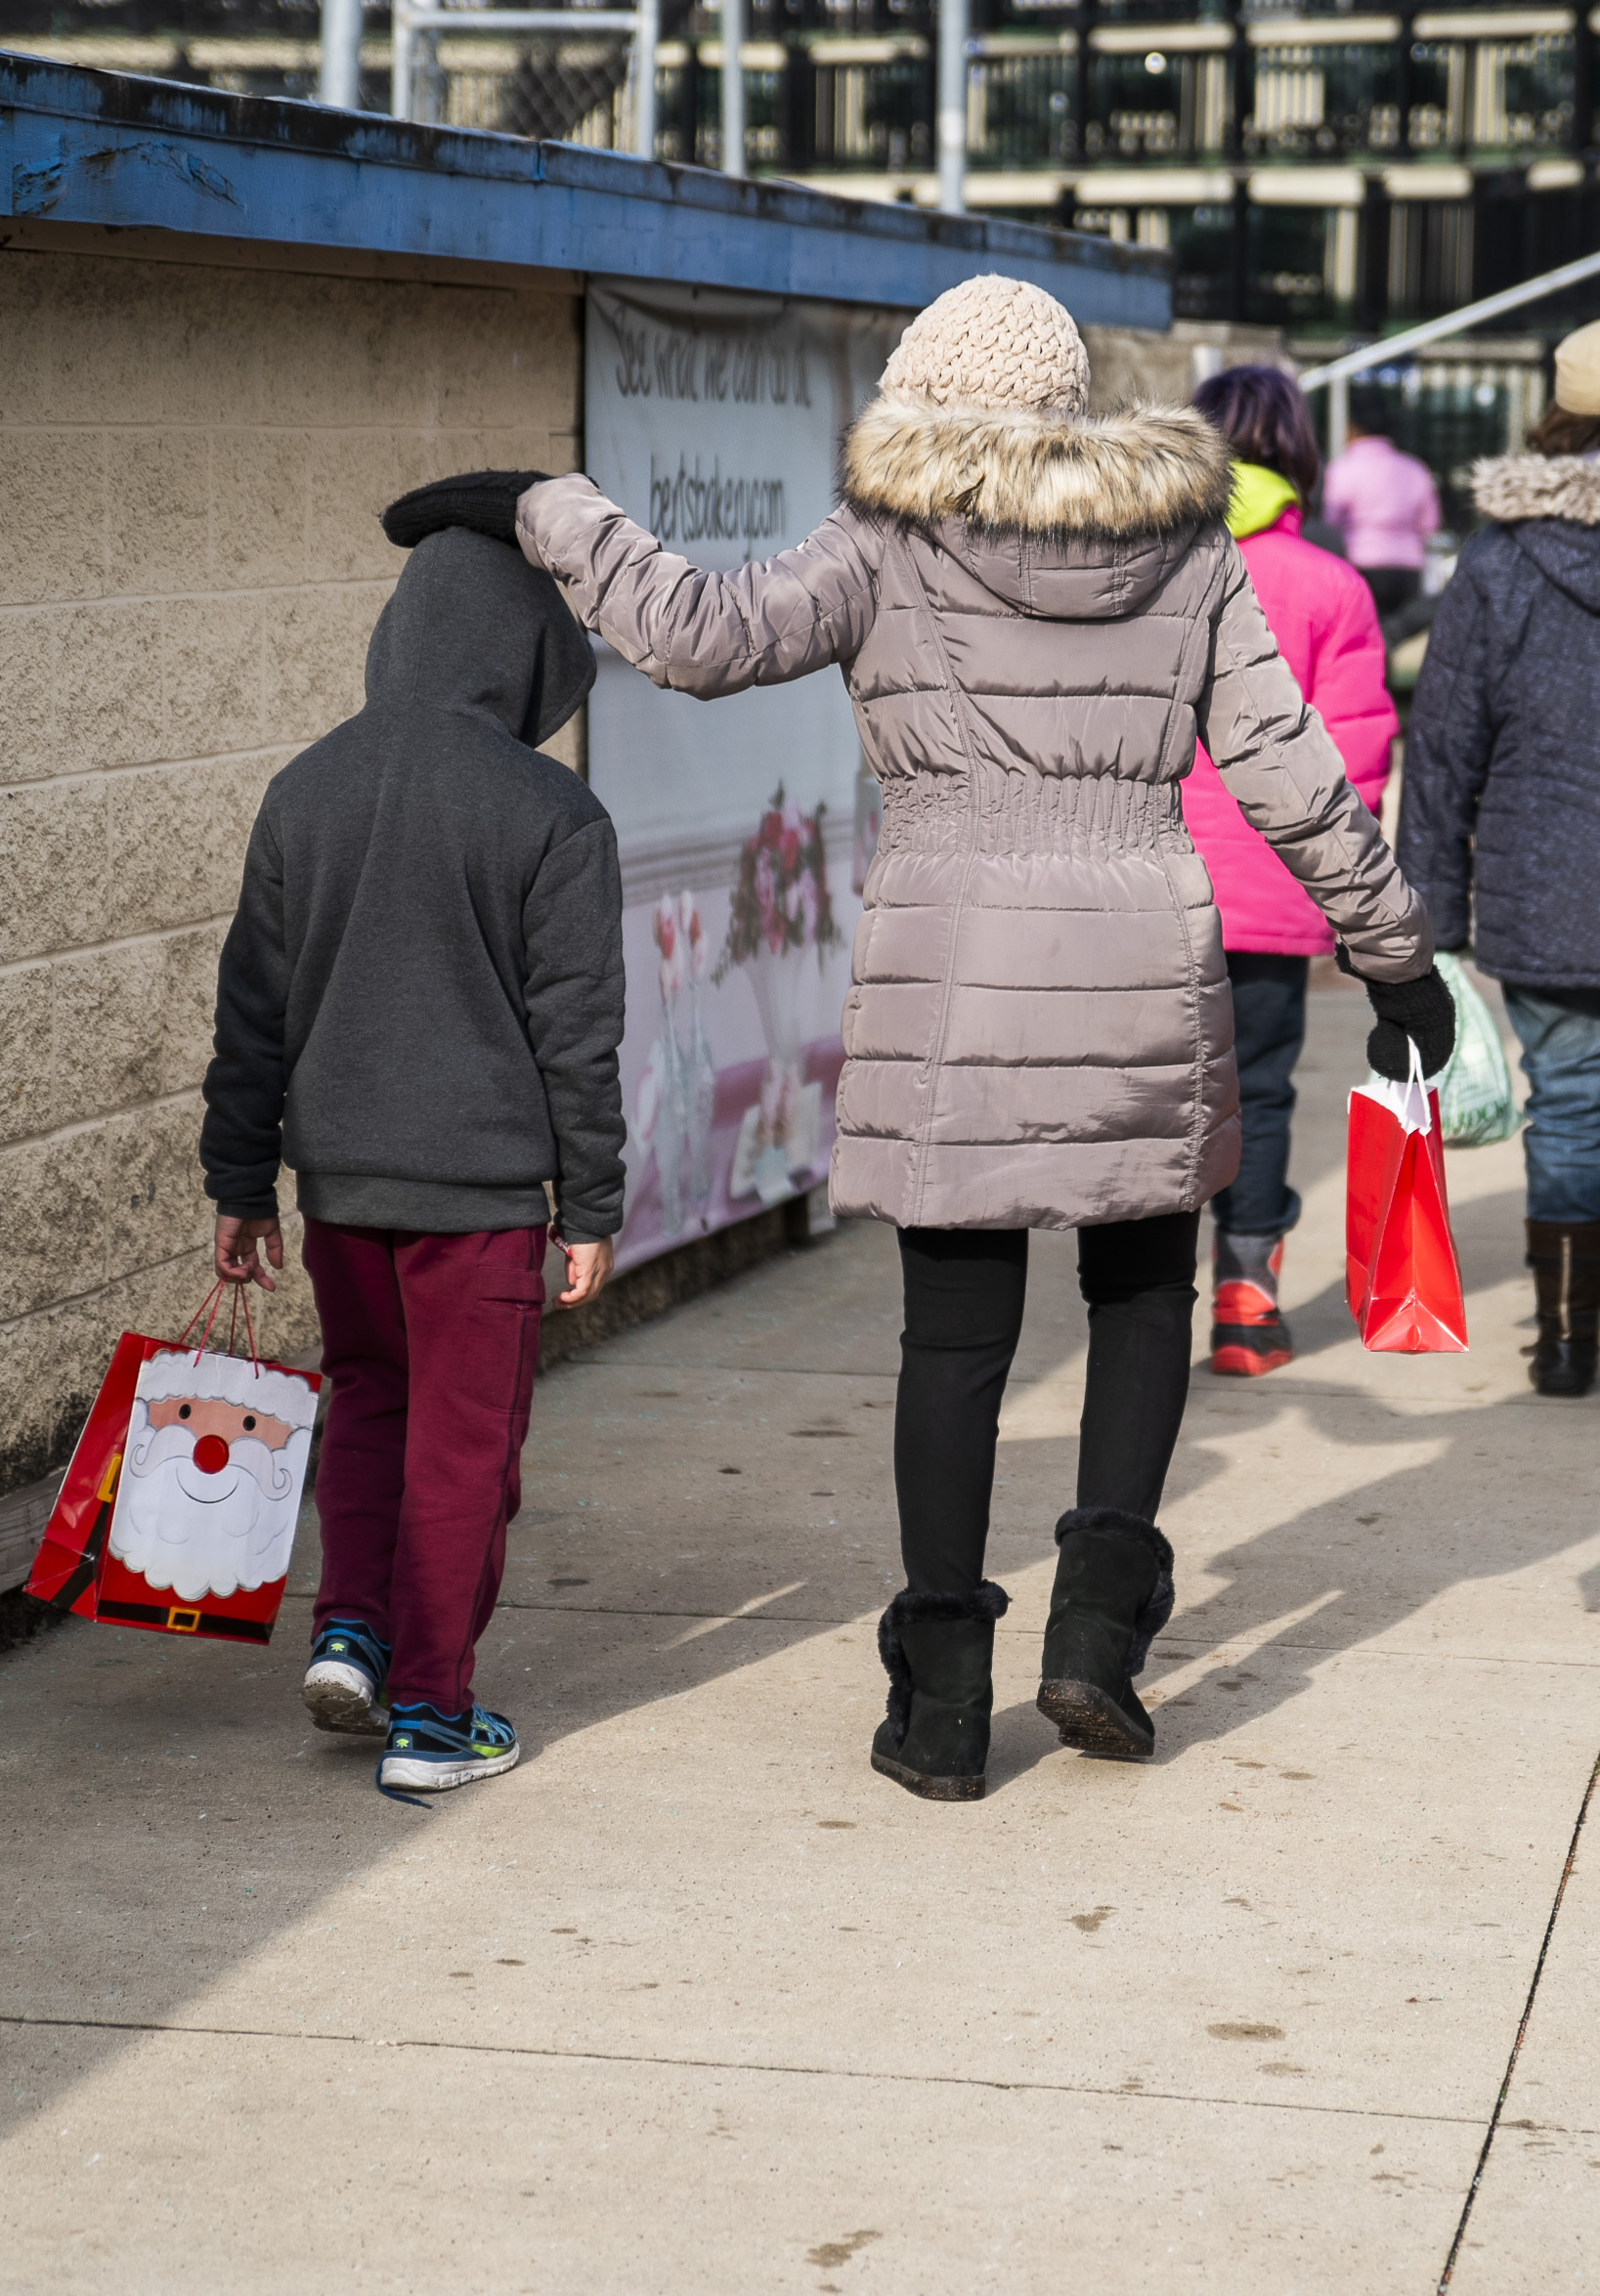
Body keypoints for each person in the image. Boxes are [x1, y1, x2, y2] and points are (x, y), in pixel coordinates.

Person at [388, 275, 1453, 1803]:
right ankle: (1097, 1627)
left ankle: (943, 1697)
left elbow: (698, 633)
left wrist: (550, 509)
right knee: (1144, 1290)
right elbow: (1291, 777)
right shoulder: (1192, 550)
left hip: (951, 965)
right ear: (1069, 406)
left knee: (956, 1334)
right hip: (1145, 959)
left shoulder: (883, 541)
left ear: (922, 398)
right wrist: (1398, 957)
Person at [199, 526, 627, 1795]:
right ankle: (435, 1714)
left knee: (372, 1402)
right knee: (463, 1442)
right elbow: (578, 1034)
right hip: (481, 1199)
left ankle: (353, 1628)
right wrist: (590, 1203)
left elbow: (252, 1011)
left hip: (339, 1187)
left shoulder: (303, 789)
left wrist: (239, 1178)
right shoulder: (552, 810)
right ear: (529, 659)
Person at [1399, 319, 1600, 1398]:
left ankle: (1566, 1338)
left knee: (1564, 1100)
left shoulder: (1502, 555)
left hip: (1543, 884)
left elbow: (1441, 742)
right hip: (1548, 881)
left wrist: (1422, 918)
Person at [1187, 366, 1400, 1373]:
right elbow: (1352, 764)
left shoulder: (1142, 569)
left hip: (1148, 891)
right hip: (1272, 892)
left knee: (1146, 1096)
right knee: (1258, 1092)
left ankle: (1138, 1303)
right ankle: (1244, 1303)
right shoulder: (1331, 587)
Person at [1321, 383, 1442, 624]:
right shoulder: (1415, 469)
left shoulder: (1343, 469)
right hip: (1407, 568)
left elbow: (1331, 522)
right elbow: (1430, 525)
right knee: (1393, 637)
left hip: (1361, 564)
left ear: (1353, 430)